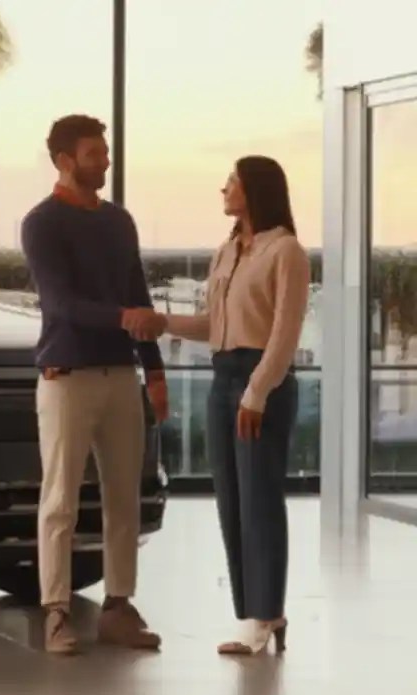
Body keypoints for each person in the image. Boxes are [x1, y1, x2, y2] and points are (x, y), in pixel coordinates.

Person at [131, 156, 309, 655]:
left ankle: (266, 614)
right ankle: (253, 613)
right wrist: (163, 323)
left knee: (260, 501)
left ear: (254, 189)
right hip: (222, 378)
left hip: (262, 383)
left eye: (231, 182)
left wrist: (257, 392)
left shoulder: (286, 252)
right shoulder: (226, 252)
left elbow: (284, 335)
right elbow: (214, 325)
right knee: (231, 501)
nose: (224, 189)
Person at [20, 114, 168, 655]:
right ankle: (56, 613)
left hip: (121, 377)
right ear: (64, 161)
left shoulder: (119, 221)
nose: (104, 160)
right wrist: (123, 319)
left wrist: (154, 371)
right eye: (93, 154)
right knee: (60, 500)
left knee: (124, 498)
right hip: (66, 378)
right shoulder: (42, 223)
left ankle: (118, 608)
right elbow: (60, 304)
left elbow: (137, 293)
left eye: (104, 151)